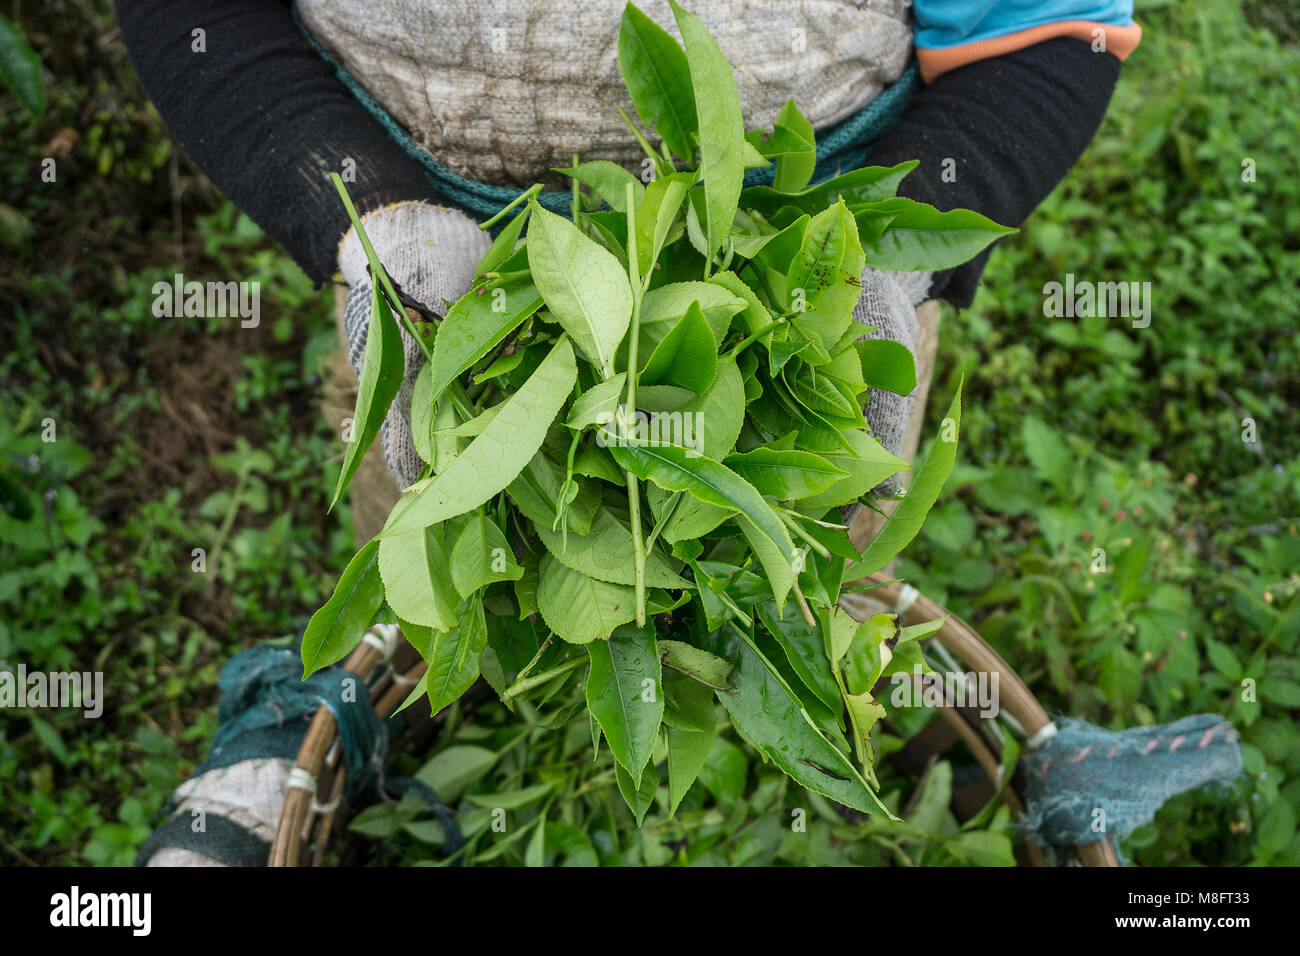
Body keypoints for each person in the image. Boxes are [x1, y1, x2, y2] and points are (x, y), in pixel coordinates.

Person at [117, 0, 1157, 866]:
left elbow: (1052, 23)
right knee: (437, 543)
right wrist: (361, 208)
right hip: (448, 297)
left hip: (815, 303)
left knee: (796, 578)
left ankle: (823, 715)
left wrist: (889, 246)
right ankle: (414, 700)